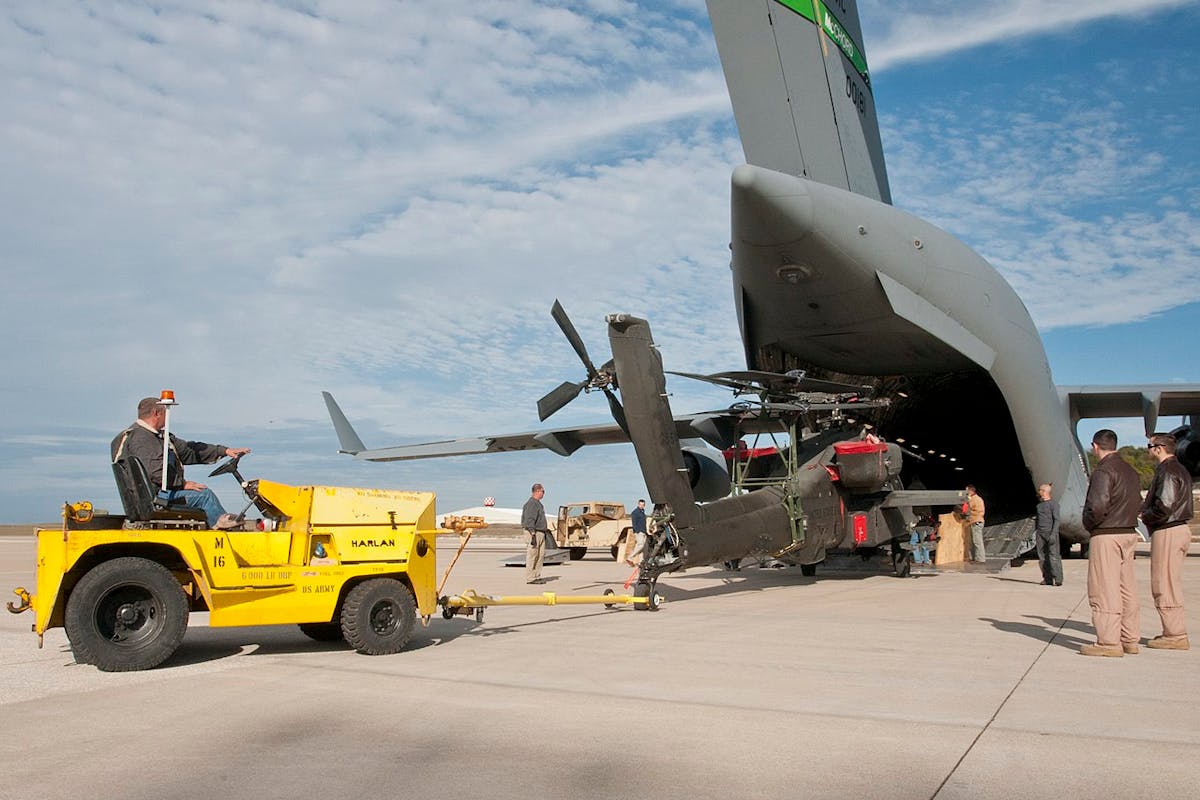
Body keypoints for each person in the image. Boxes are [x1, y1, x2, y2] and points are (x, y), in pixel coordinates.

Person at [111, 396, 251, 528]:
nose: (167, 418)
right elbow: (155, 471)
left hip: (149, 496)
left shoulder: (154, 437)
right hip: (156, 498)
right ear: (156, 413)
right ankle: (222, 529)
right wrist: (183, 484)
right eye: (165, 412)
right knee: (204, 495)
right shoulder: (142, 438)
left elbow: (189, 451)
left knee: (201, 492)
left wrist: (223, 451)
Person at [1080, 429, 1142, 657]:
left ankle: (1108, 642)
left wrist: (1088, 523)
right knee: (1127, 587)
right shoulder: (1131, 471)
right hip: (1129, 532)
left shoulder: (1103, 471)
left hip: (1107, 533)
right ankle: (1130, 638)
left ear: (1095, 446)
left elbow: (1097, 505)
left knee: (1104, 588)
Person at [1140, 432, 1194, 650]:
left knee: (1164, 583)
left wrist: (1145, 515)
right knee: (1170, 581)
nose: (1148, 450)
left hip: (1168, 529)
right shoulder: (1180, 468)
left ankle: (1174, 634)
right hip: (1177, 528)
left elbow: (1165, 505)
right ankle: (1173, 631)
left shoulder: (1167, 470)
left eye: (1149, 445)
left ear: (1159, 448)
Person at [1035, 483, 1062, 586]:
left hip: (1050, 533)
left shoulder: (1054, 505)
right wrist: (1036, 532)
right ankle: (1047, 578)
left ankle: (1058, 578)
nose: (1039, 492)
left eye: (1040, 490)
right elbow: (1037, 520)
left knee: (1054, 556)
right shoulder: (1039, 506)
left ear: (1045, 491)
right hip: (1040, 534)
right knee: (1042, 557)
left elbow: (1057, 520)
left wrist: (1053, 533)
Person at [522, 483, 550, 584]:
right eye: (543, 491)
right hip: (534, 532)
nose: (544, 494)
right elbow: (529, 519)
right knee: (533, 555)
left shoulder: (538, 504)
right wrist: (532, 533)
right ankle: (530, 578)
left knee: (540, 555)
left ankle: (536, 575)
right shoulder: (532, 503)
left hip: (540, 532)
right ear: (537, 491)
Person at [965, 484, 987, 563]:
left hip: (976, 521)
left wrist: (968, 513)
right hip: (972, 521)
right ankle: (974, 557)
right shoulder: (972, 499)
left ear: (971, 491)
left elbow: (978, 511)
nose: (966, 492)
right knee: (972, 541)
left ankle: (980, 559)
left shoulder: (976, 499)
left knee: (977, 541)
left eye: (967, 490)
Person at [627, 499, 647, 566]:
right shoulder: (635, 512)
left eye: (643, 505)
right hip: (639, 532)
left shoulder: (642, 512)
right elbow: (634, 523)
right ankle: (630, 557)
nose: (642, 506)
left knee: (642, 547)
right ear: (638, 504)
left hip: (643, 531)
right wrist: (637, 532)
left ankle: (641, 562)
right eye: (640, 504)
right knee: (640, 545)